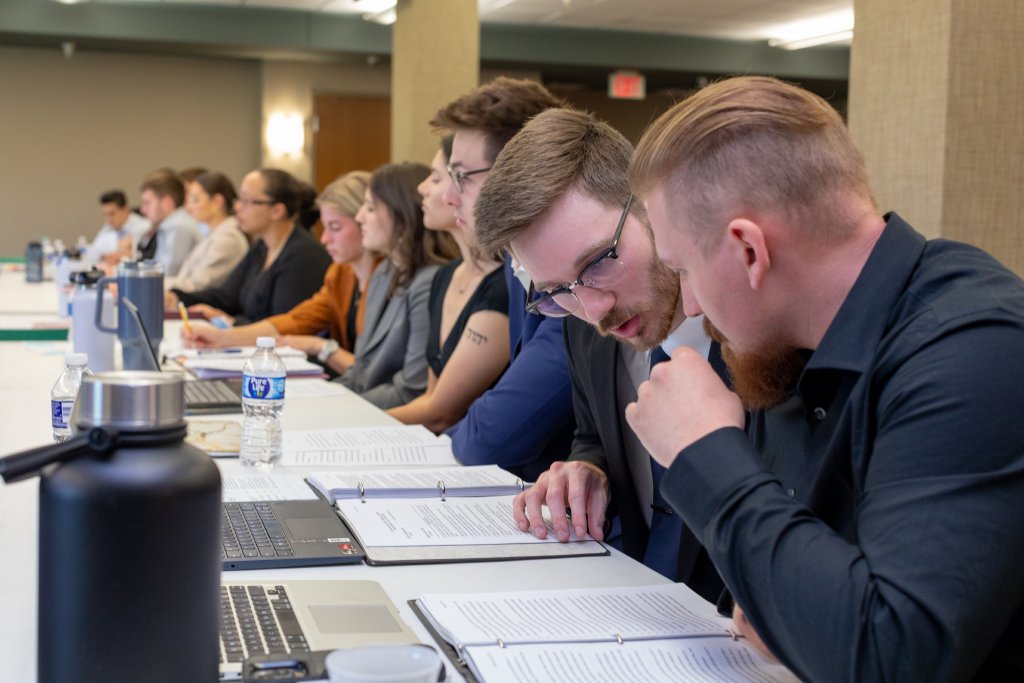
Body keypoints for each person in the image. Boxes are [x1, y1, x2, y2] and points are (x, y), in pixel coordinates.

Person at [624, 75, 1024, 681]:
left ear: (749, 251)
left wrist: (702, 452)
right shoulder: (783, 342)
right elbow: (792, 610)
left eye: (683, 270)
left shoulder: (973, 350)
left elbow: (887, 658)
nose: (693, 305)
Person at [472, 107, 724, 598]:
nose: (594, 308)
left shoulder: (755, 329)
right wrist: (590, 470)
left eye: (599, 262)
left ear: (647, 204)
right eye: (556, 290)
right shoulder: (583, 327)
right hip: (626, 604)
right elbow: (593, 434)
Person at [431, 76, 575, 481]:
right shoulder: (518, 267)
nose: (448, 196)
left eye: (462, 176)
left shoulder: (578, 278)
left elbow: (493, 436)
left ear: (518, 171)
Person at [182, 171, 376, 376]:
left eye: (335, 228)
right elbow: (295, 320)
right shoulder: (340, 273)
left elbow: (379, 374)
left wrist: (320, 346)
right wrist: (222, 338)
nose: (325, 239)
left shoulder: (306, 255)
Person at [387, 136, 509, 433]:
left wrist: (348, 425)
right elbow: (431, 396)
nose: (421, 188)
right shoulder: (445, 275)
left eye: (436, 178)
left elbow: (440, 412)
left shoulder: (503, 287)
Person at [336, 162, 458, 409]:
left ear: (401, 215)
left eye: (370, 208)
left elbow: (412, 390)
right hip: (369, 410)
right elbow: (360, 370)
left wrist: (338, 410)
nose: (359, 217)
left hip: (395, 424)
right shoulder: (383, 271)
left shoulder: (431, 281)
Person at [168, 168, 330, 326]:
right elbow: (226, 297)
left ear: (277, 211)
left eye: (247, 201)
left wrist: (232, 324)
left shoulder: (302, 255)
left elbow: (283, 325)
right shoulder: (261, 247)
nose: (237, 207)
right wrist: (175, 298)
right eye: (239, 200)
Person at [164, 171, 248, 292]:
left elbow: (198, 286)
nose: (188, 207)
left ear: (217, 202)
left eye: (195, 200)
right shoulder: (215, 234)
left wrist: (154, 282)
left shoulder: (228, 239)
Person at [136, 169, 202, 276]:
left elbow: (167, 275)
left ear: (167, 203)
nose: (143, 210)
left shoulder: (179, 226)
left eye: (147, 203)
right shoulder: (169, 226)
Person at [83, 190, 150, 265]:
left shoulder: (144, 226)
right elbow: (93, 252)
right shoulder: (108, 227)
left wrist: (110, 249)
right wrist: (119, 247)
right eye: (105, 215)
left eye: (112, 214)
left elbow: (138, 254)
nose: (108, 219)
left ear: (125, 210)